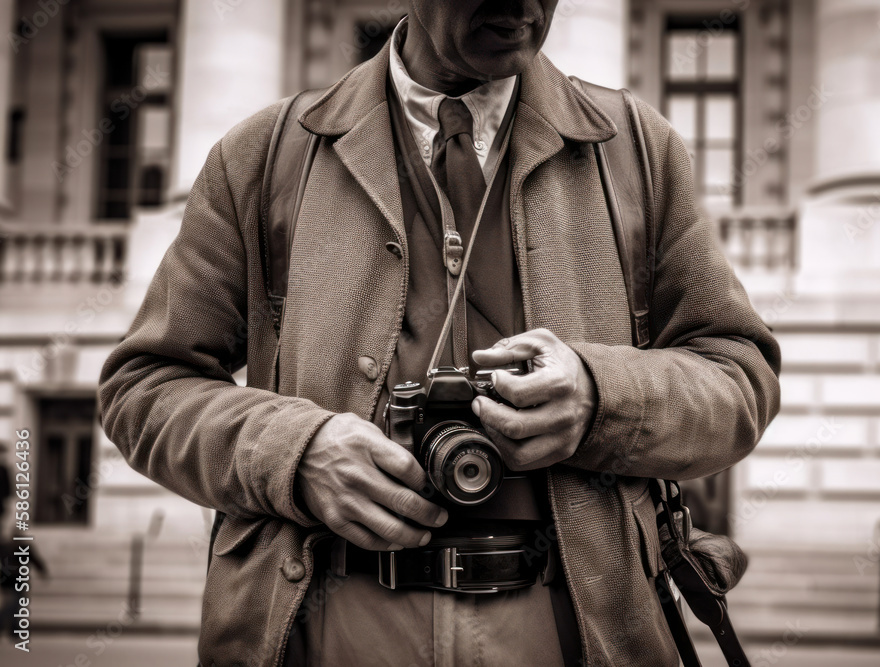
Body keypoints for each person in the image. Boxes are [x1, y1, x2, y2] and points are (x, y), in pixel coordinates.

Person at [97, 1, 781, 665]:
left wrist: (602, 397)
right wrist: (295, 454)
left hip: (580, 632)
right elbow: (144, 388)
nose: (523, 8)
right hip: (322, 630)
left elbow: (740, 376)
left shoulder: (639, 149)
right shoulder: (260, 157)